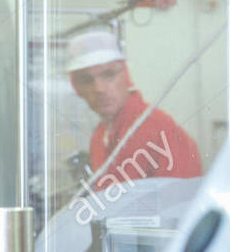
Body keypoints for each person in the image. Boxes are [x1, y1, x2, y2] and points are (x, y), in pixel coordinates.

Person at [66, 28, 202, 192]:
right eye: (87, 80)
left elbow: (181, 203)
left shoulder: (159, 129)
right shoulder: (99, 136)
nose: (99, 88)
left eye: (108, 75)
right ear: (77, 88)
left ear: (126, 76)